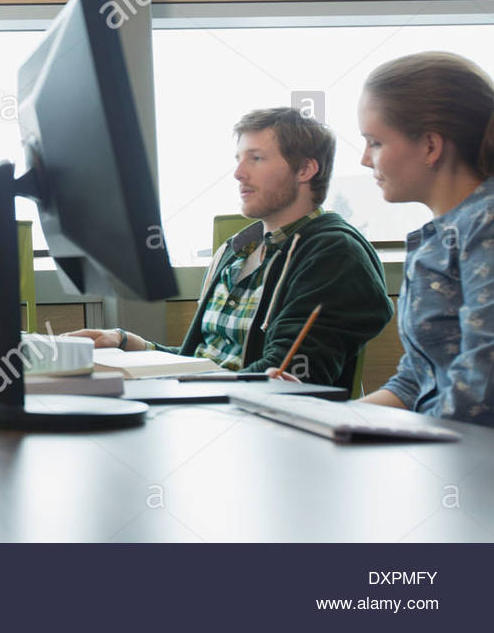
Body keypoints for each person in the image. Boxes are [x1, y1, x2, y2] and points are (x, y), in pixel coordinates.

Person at [68, 107, 392, 388]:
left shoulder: (333, 254)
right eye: (239, 159)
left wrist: (172, 388)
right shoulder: (236, 250)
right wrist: (129, 343)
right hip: (210, 410)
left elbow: (287, 377)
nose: (238, 174)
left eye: (257, 158)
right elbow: (202, 361)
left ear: (306, 170)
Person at [356, 52, 494, 427]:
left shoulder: (486, 223)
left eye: (375, 142)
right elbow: (417, 380)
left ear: (431, 146)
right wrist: (322, 417)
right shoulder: (438, 237)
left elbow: (483, 385)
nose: (366, 160)